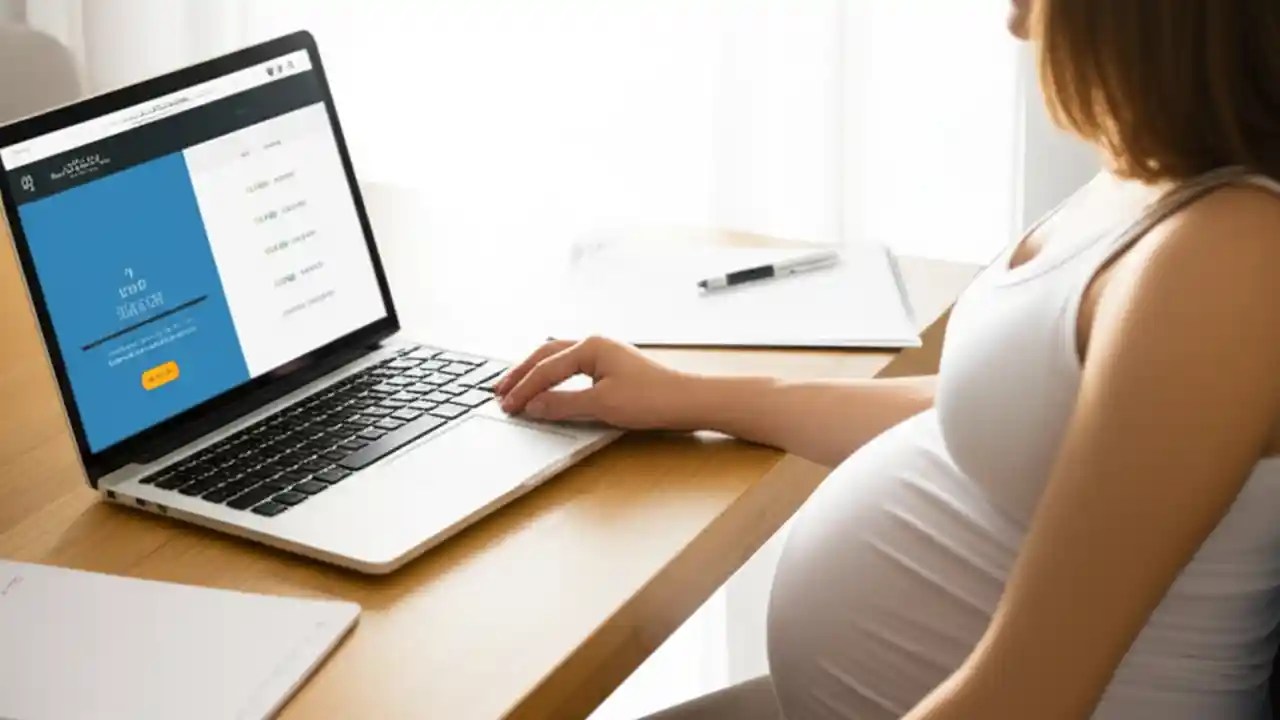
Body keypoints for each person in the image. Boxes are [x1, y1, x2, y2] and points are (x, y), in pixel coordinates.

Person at [498, 0, 1280, 717]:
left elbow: (1025, 699)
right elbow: (998, 409)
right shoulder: (1150, 180)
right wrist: (690, 396)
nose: (1013, 19)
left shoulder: (1231, 261)